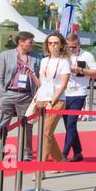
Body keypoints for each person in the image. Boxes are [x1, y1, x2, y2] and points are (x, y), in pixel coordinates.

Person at [0, 31, 38, 159]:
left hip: (27, 95)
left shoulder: (36, 57)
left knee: (26, 126)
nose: (32, 44)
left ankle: (25, 153)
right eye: (30, 42)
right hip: (9, 93)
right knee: (1, 124)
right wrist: (2, 94)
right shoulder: (5, 55)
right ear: (21, 42)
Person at [34, 31, 71, 162]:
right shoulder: (44, 61)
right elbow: (41, 82)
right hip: (42, 98)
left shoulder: (64, 62)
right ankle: (59, 159)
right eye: (50, 43)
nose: (53, 45)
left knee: (46, 133)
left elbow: (63, 85)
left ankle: (41, 167)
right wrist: (32, 76)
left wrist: (52, 101)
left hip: (57, 100)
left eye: (56, 43)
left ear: (61, 45)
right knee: (46, 133)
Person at [62, 33, 96, 161]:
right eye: (69, 47)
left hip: (79, 93)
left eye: (74, 47)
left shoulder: (87, 56)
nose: (71, 49)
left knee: (71, 124)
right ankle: (78, 153)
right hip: (64, 93)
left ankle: (63, 154)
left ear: (79, 45)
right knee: (68, 126)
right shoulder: (63, 55)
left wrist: (80, 70)